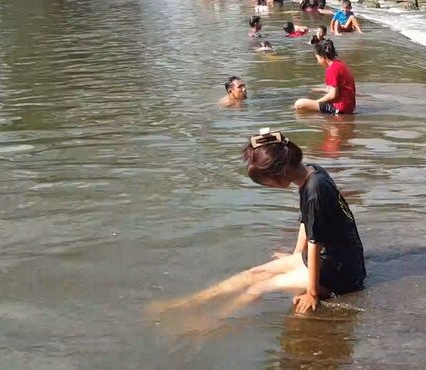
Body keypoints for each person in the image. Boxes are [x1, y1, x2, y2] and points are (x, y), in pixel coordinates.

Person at [146, 131, 365, 321]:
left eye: (265, 180)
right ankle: (187, 303)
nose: (267, 186)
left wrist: (311, 293)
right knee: (254, 273)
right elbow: (306, 221)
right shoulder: (310, 172)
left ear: (279, 173)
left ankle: (211, 319)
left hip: (341, 271)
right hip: (331, 256)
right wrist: (295, 256)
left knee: (259, 286)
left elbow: (315, 242)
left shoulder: (314, 189)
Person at [295, 40, 356, 115]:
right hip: (350, 107)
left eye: (317, 58)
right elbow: (338, 89)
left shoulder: (332, 69)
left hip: (340, 108)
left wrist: (316, 102)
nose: (318, 62)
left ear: (323, 57)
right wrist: (321, 90)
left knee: (299, 103)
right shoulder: (340, 64)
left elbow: (333, 95)